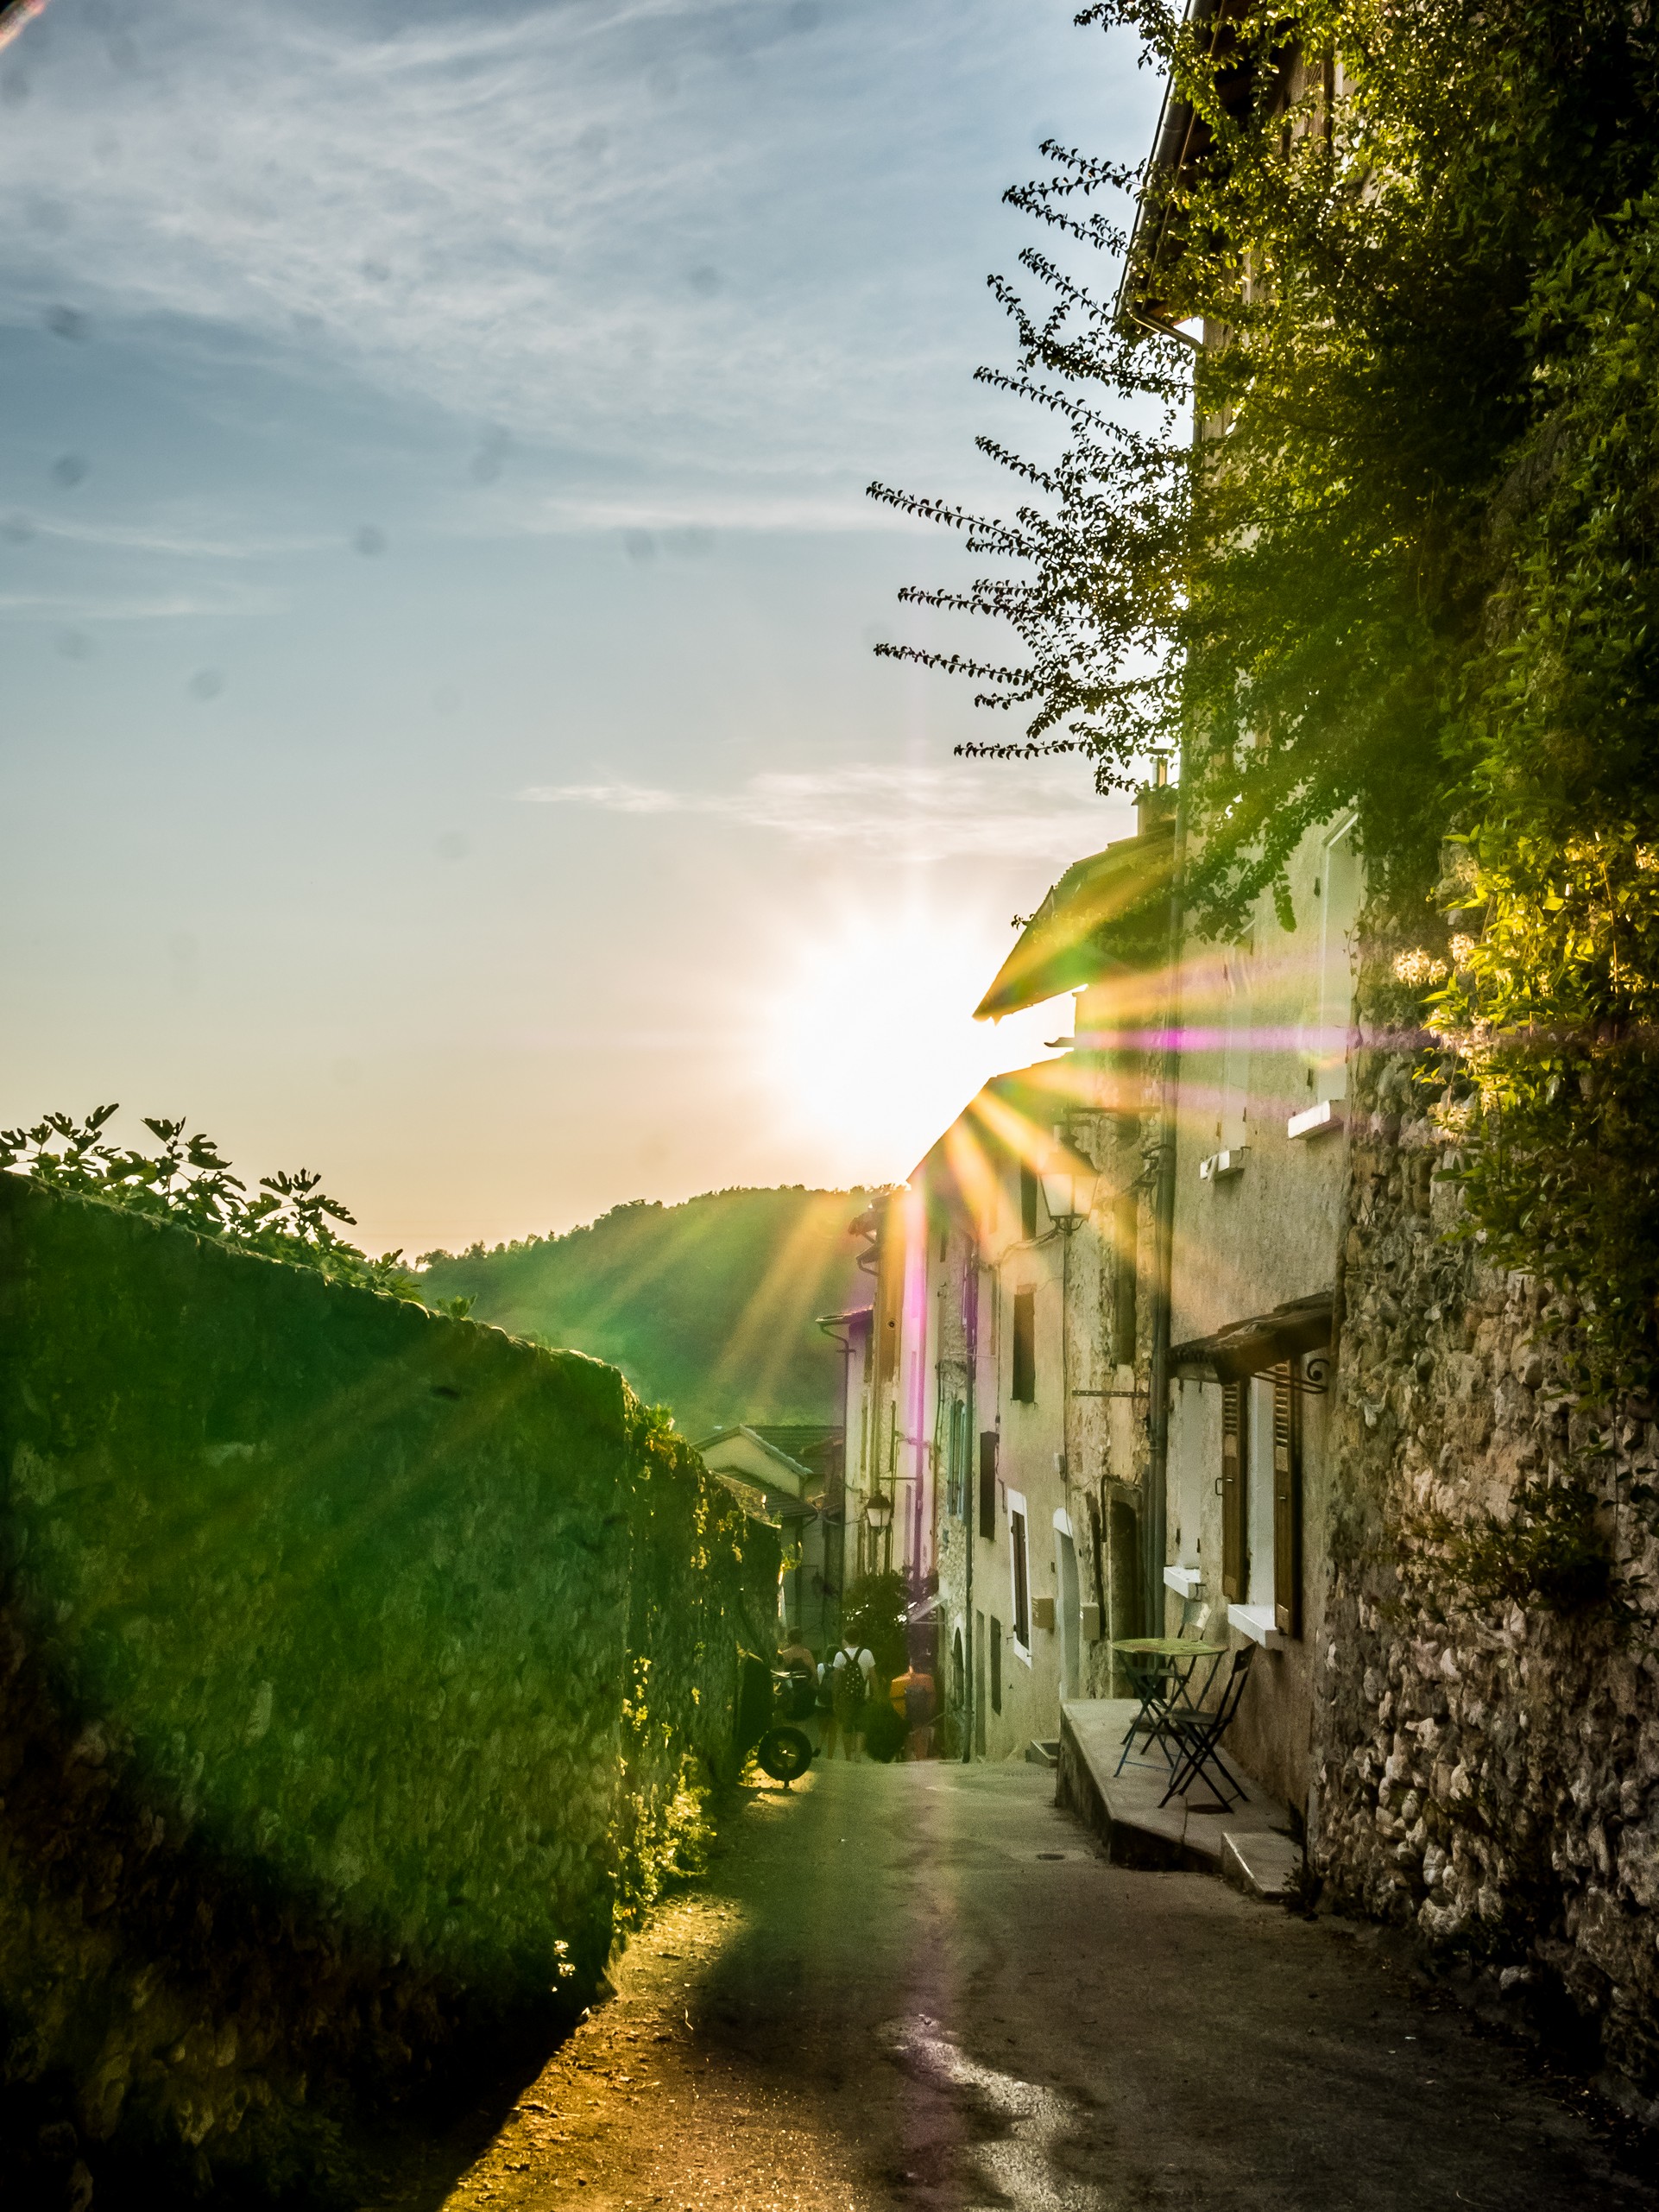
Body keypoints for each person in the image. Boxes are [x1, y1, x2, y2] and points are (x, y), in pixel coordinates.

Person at [825, 1634, 875, 1760]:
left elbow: (836, 1680)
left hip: (845, 1697)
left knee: (846, 1727)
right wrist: (877, 1694)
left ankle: (848, 1756)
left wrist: (834, 1698)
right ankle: (858, 1755)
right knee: (861, 1727)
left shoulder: (840, 1655)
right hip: (863, 1696)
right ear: (858, 1639)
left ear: (846, 1639)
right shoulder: (867, 1653)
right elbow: (873, 1676)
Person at [888, 1657, 937, 1761]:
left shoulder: (899, 1681)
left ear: (910, 1667)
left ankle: (907, 1758)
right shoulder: (928, 1679)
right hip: (923, 1715)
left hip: (906, 1716)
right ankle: (921, 1756)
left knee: (907, 1735)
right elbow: (932, 1699)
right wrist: (928, 1712)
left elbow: (894, 1700)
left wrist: (902, 1714)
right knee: (921, 1734)